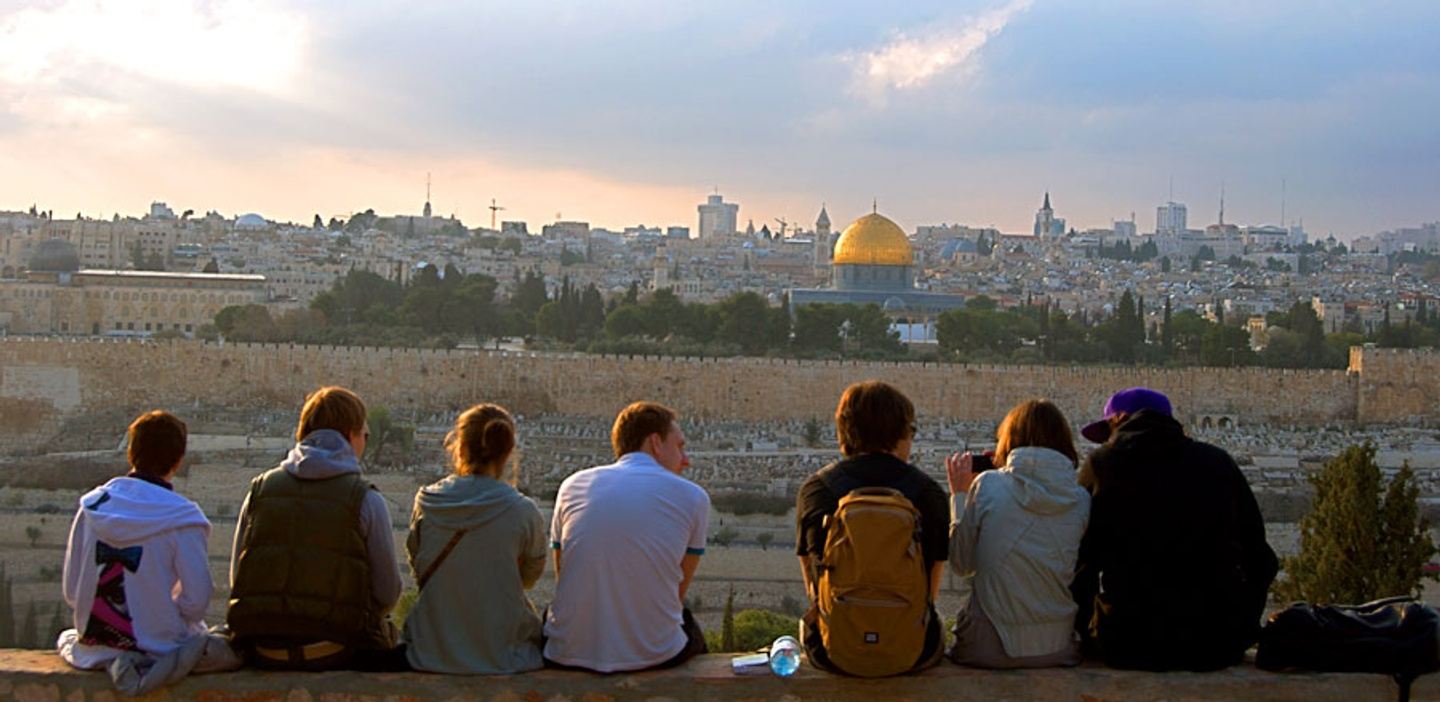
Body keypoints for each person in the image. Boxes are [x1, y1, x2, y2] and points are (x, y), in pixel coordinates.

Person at [1071, 387, 1278, 671]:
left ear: (1117, 419)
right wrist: (1242, 625)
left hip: (1128, 641)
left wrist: (1082, 631)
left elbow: (1081, 561)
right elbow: (1260, 558)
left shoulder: (1102, 465)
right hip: (1214, 642)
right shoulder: (1217, 463)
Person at [227, 386, 403, 670]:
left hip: (262, 648)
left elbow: (238, 579)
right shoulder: (366, 499)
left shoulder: (259, 491)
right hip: (336, 648)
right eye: (365, 435)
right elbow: (387, 593)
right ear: (350, 435)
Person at [795, 381, 948, 676]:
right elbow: (930, 591)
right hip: (914, 651)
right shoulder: (928, 493)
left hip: (831, 652)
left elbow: (812, 583)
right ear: (900, 433)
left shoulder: (816, 490)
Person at [544, 401, 710, 672]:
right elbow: (676, 594)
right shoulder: (693, 497)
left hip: (566, 650)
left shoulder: (571, 486)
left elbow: (565, 573)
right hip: (654, 654)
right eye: (679, 446)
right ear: (655, 442)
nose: (686, 459)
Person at [58, 410, 212, 670]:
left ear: (131, 453)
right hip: (159, 649)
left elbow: (73, 591)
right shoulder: (184, 518)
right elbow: (196, 604)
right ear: (178, 460)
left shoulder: (92, 507)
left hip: (95, 648)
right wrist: (157, 611)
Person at [402, 404, 547, 674]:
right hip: (505, 656)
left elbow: (417, 565)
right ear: (507, 452)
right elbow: (528, 578)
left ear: (460, 447)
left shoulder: (427, 503)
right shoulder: (524, 511)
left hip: (430, 652)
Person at [946, 399, 1090, 668]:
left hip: (987, 647)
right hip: (1058, 646)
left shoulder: (988, 485)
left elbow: (961, 564)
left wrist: (960, 495)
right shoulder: (1081, 499)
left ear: (1009, 439)